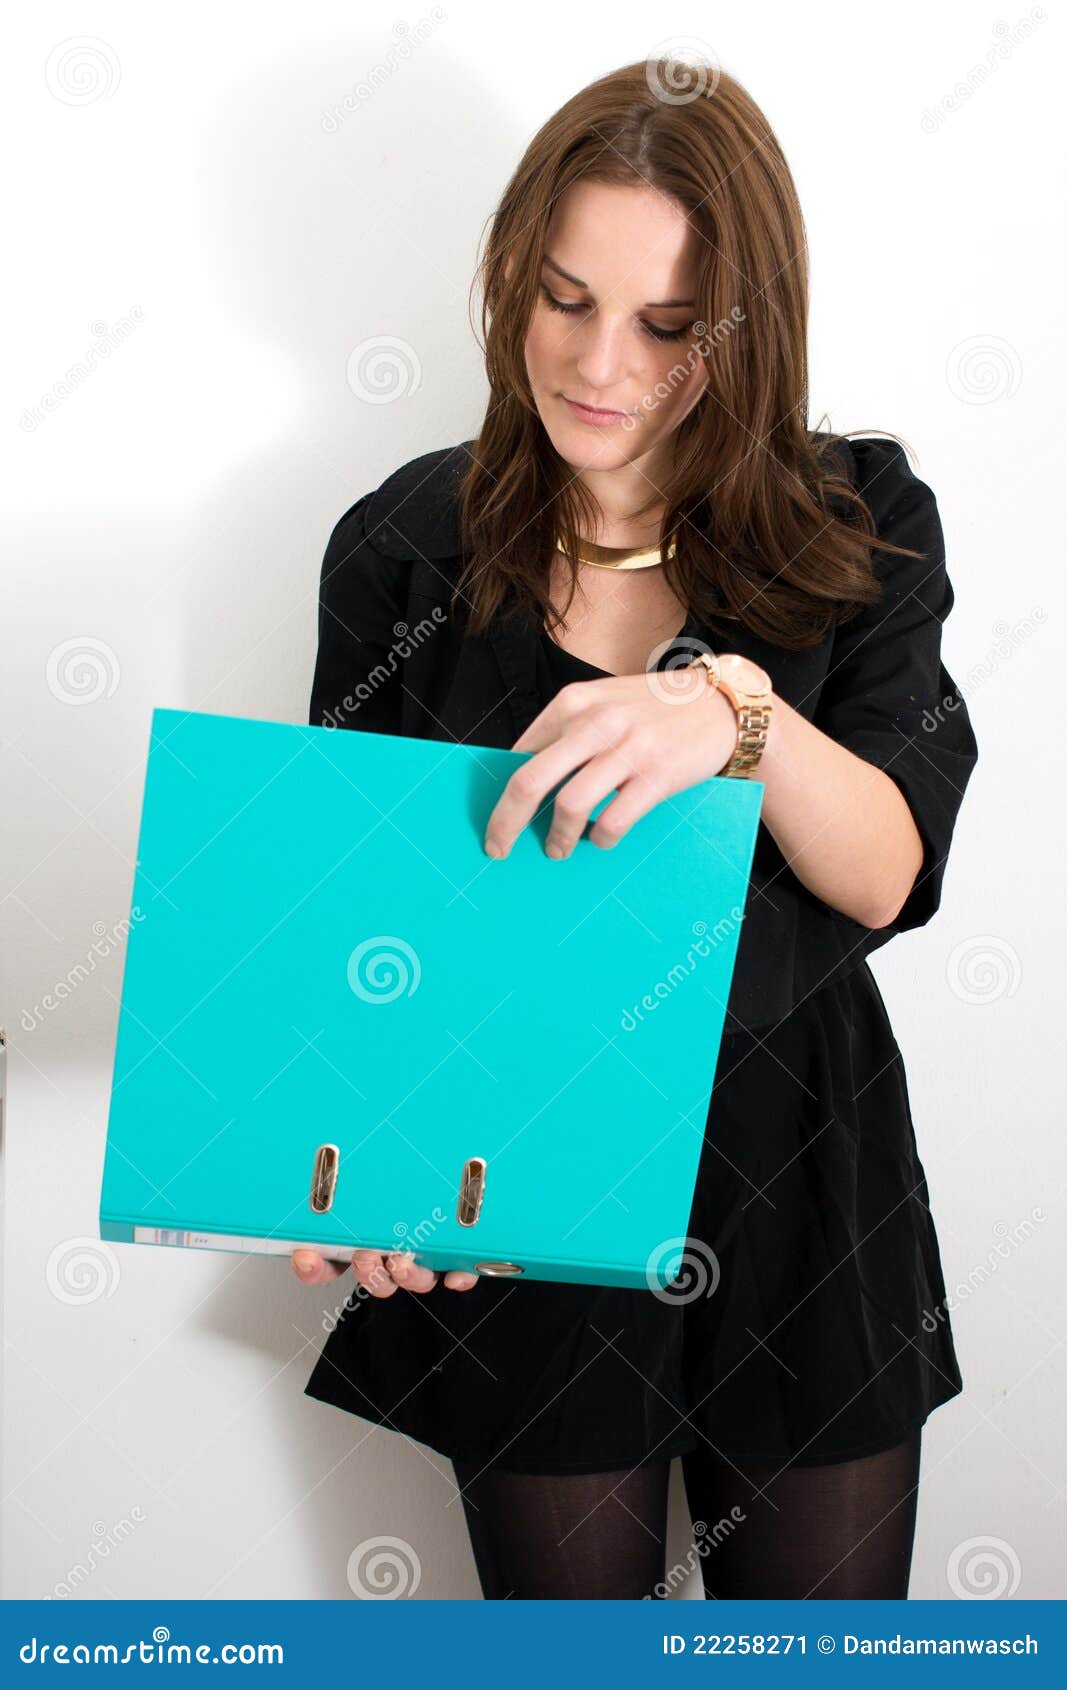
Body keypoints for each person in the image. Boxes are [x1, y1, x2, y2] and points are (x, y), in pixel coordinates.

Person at [290, 57, 979, 1600]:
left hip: (800, 1184)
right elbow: (354, 927)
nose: (603, 363)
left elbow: (886, 863)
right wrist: (356, 1177)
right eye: (563, 298)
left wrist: (736, 714)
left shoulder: (858, 517)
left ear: (744, 331)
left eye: (668, 329)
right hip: (517, 1187)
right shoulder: (404, 548)